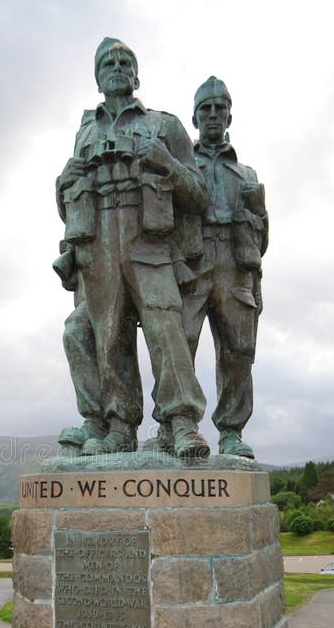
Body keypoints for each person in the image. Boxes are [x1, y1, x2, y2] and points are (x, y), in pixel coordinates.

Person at [55, 37, 210, 458]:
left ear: (137, 76)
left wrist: (167, 163)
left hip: (149, 241)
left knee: (165, 326)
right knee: (108, 336)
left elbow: (199, 195)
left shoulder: (165, 125)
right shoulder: (85, 132)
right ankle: (119, 427)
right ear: (97, 78)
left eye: (125, 62)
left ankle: (182, 423)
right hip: (99, 242)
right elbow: (69, 203)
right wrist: (63, 183)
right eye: (108, 63)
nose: (118, 67)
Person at [145, 77, 268, 459]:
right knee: (177, 344)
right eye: (205, 109)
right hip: (192, 264)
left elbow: (263, 237)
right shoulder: (183, 164)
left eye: (219, 108)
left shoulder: (246, 174)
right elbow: (161, 218)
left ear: (229, 115)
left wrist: (259, 212)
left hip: (235, 264)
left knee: (238, 351)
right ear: (195, 118)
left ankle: (231, 431)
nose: (213, 114)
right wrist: (173, 263)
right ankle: (171, 426)